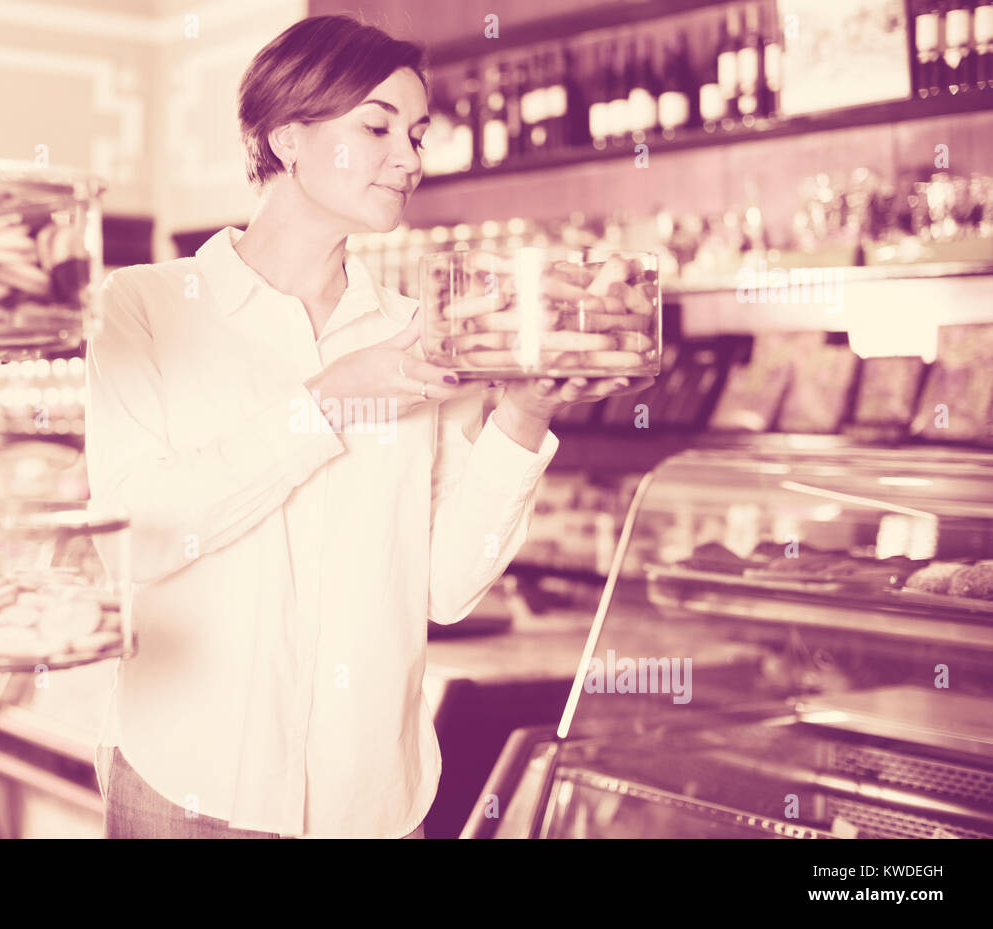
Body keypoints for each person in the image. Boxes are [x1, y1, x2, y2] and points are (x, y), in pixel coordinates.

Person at [85, 13, 652, 839]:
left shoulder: (429, 331)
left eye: (417, 133)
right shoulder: (145, 308)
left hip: (373, 801)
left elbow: (447, 588)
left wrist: (525, 412)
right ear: (286, 139)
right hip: (188, 785)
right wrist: (330, 401)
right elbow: (136, 541)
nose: (412, 159)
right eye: (377, 127)